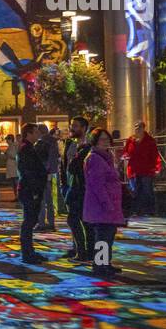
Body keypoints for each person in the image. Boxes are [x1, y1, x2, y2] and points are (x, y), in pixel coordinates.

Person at [83, 128, 125, 277]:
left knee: (108, 236)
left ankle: (105, 263)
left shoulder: (106, 157)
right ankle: (100, 266)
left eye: (107, 139)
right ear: (95, 141)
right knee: (102, 237)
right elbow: (97, 184)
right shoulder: (95, 158)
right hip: (101, 205)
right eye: (102, 139)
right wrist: (107, 203)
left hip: (109, 204)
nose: (106, 142)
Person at [16, 124, 48, 264]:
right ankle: (27, 253)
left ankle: (30, 251)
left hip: (32, 189)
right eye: (35, 132)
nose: (38, 134)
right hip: (29, 190)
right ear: (29, 133)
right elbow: (28, 171)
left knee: (31, 221)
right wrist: (35, 190)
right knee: (29, 221)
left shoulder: (29, 148)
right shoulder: (26, 149)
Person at [61, 117, 91, 261]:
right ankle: (78, 249)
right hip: (70, 187)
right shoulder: (70, 144)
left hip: (82, 188)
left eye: (76, 126)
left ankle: (86, 252)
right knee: (74, 219)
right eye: (72, 125)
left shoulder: (88, 147)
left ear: (84, 128)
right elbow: (64, 165)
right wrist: (64, 184)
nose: (72, 128)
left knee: (80, 220)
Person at [122, 122, 159, 217]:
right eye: (135, 127)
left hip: (146, 169)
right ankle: (137, 210)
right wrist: (125, 156)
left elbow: (154, 155)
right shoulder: (130, 140)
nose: (137, 129)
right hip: (133, 169)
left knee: (147, 190)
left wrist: (156, 167)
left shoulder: (150, 140)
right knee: (134, 190)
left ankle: (150, 210)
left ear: (143, 128)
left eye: (139, 127)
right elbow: (126, 152)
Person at [3, 133, 19, 201]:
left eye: (7, 139)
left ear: (10, 139)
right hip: (11, 167)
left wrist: (8, 154)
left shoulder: (14, 146)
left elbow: (15, 156)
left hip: (14, 167)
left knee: (16, 182)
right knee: (13, 183)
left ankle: (18, 196)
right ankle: (16, 196)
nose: (6, 141)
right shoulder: (10, 146)